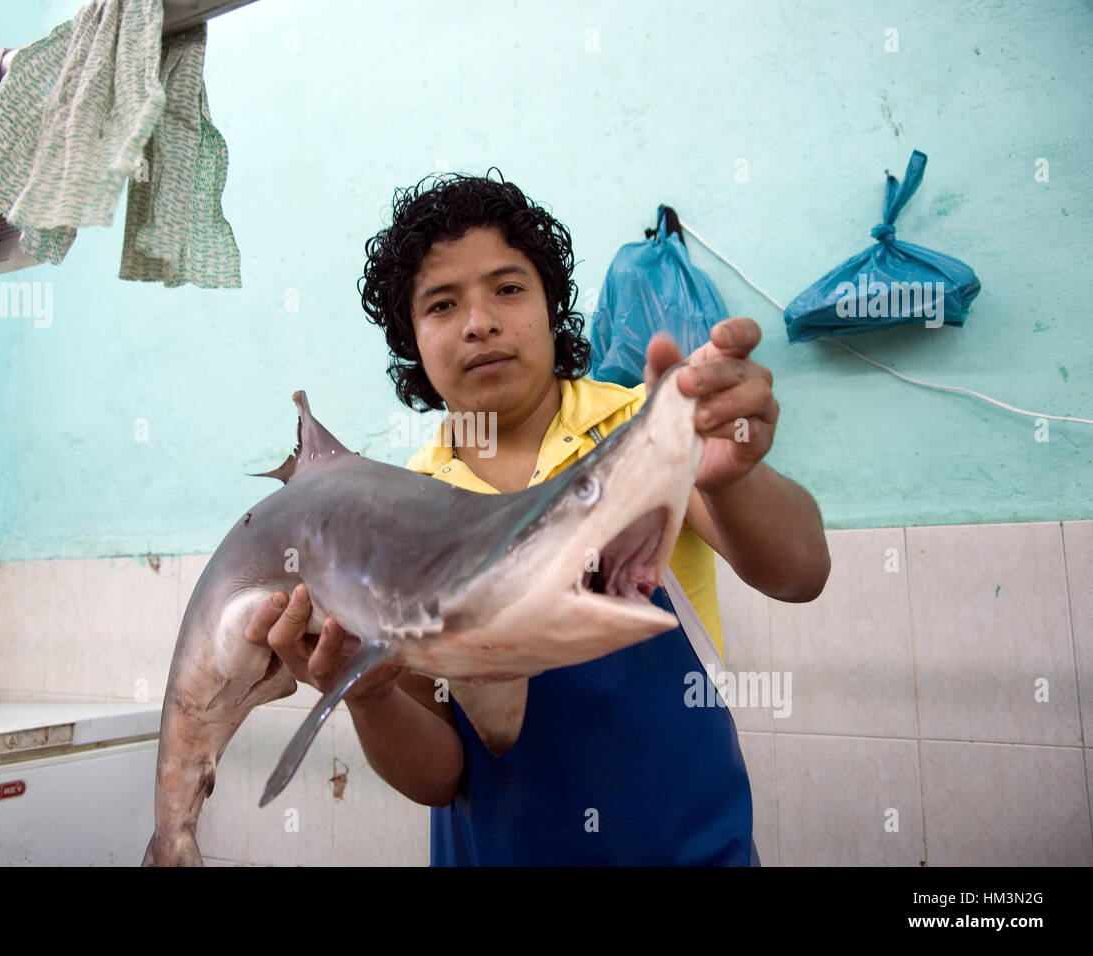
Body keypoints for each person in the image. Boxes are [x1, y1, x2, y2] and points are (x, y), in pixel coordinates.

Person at [243, 170, 830, 865]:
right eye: (440, 305)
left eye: (509, 288)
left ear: (552, 305)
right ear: (413, 341)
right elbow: (440, 776)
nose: (480, 321)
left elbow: (801, 574)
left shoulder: (635, 432)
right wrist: (370, 699)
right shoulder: (397, 511)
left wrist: (733, 482)